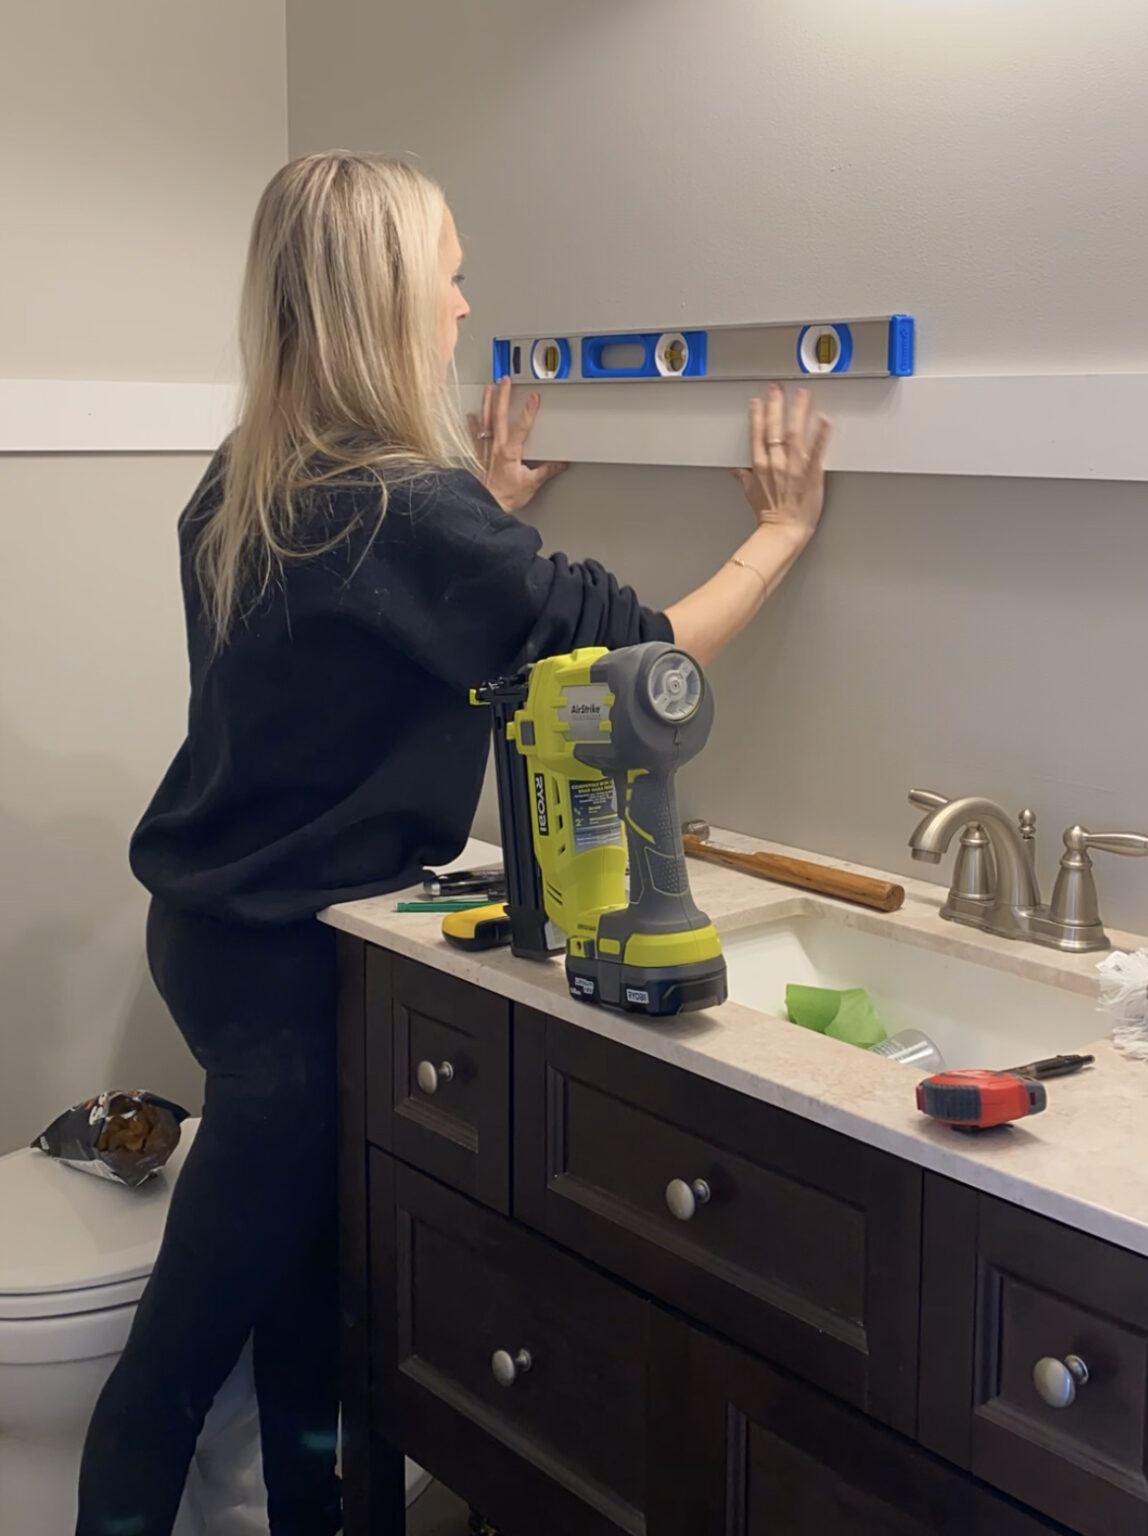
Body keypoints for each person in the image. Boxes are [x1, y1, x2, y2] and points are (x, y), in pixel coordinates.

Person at [75, 152, 831, 1536]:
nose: (466, 303)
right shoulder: (402, 515)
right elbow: (632, 667)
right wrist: (779, 535)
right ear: (385, 299)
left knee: (310, 1295)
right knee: (182, 1357)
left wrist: (485, 508)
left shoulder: (251, 483)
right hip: (297, 976)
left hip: (211, 934)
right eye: (452, 271)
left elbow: (342, 650)